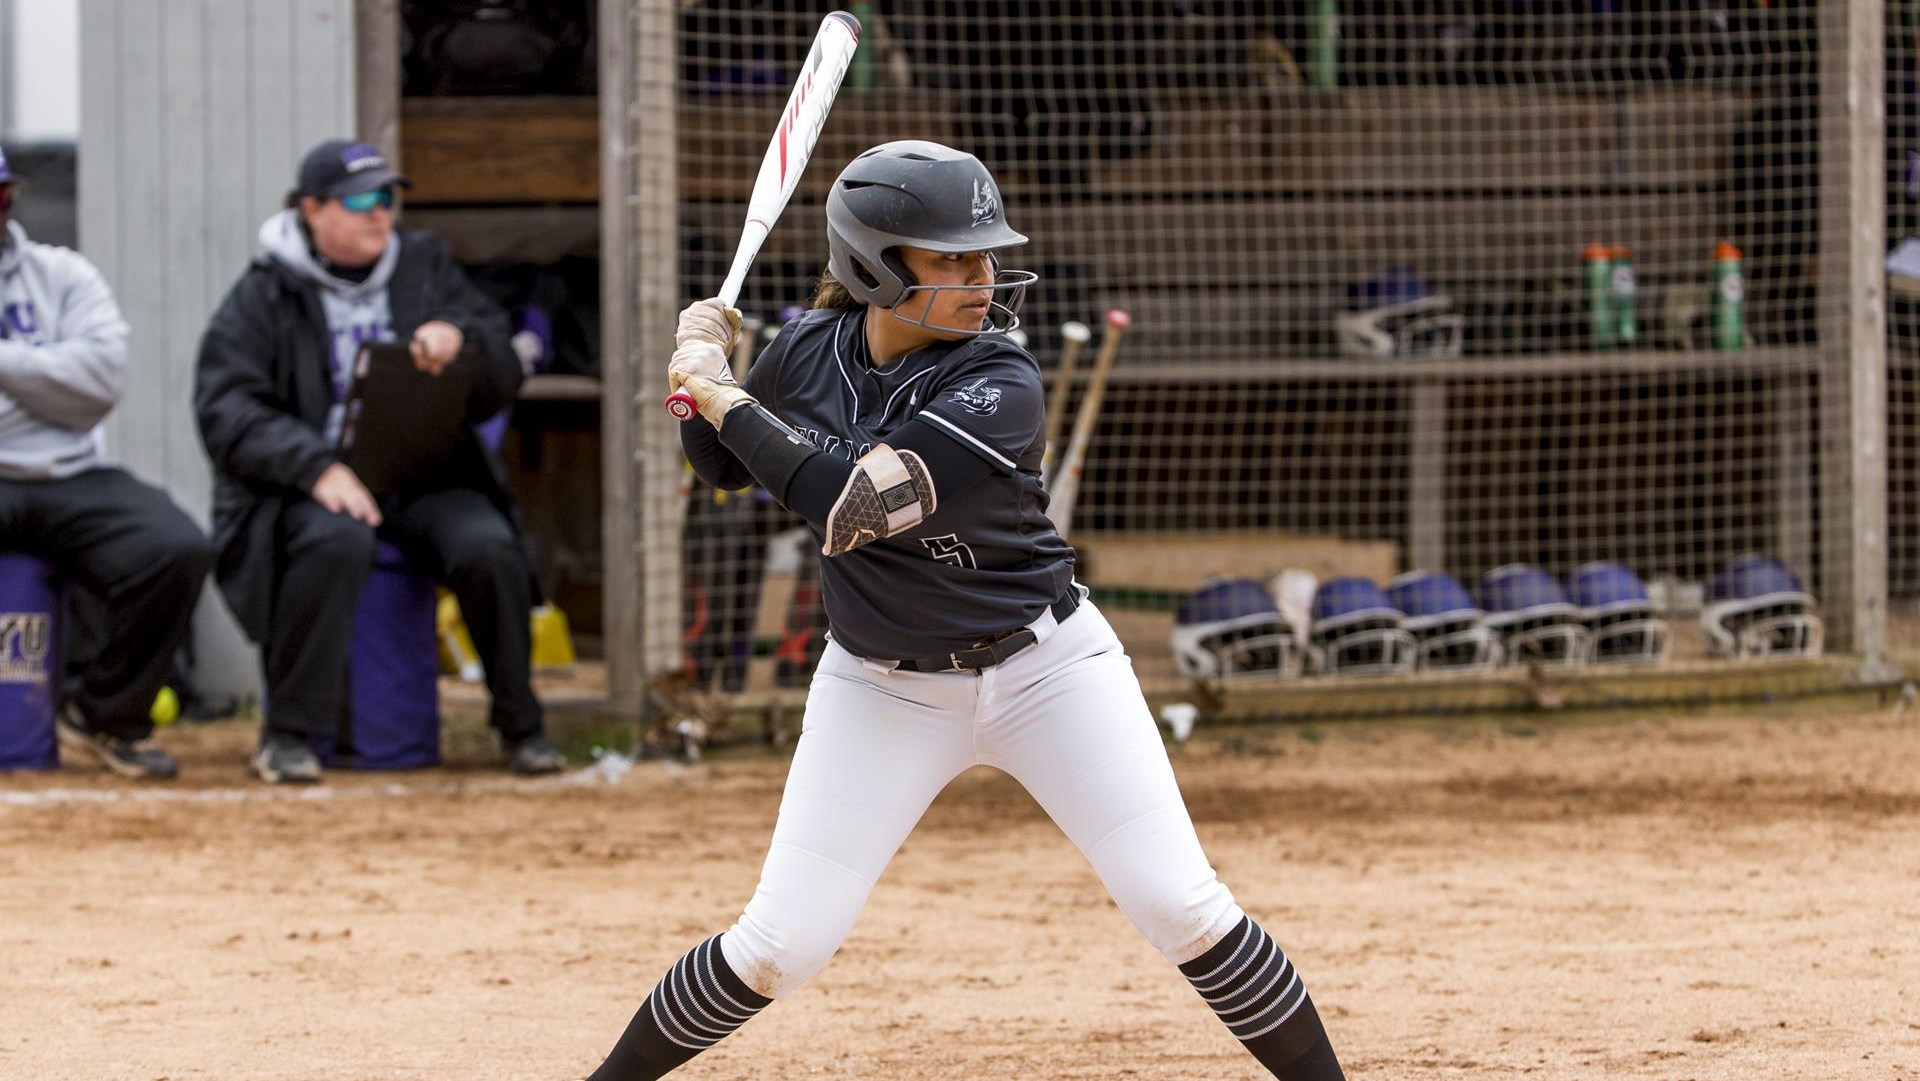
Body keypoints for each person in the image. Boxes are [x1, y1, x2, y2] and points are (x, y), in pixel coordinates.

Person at [579, 141, 1345, 1080]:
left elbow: (854, 508)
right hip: (881, 686)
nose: (982, 278)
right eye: (951, 259)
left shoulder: (1001, 377)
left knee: (1183, 908)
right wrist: (699, 384)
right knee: (778, 945)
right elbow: (725, 470)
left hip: (1048, 672)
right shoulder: (804, 350)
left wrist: (722, 392)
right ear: (872, 268)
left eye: (985, 255)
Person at [194, 138, 567, 784]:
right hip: (317, 486)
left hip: (424, 477)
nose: (379, 214)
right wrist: (313, 466)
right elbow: (226, 409)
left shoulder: (423, 266)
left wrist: (464, 339)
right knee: (334, 543)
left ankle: (522, 726)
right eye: (361, 199)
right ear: (312, 210)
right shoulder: (265, 294)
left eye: (388, 198)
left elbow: (501, 368)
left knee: (488, 548)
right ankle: (287, 735)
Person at [0, 146, 212, 779]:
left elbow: (98, 382)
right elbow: (68, 379)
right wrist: (44, 376)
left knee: (175, 547)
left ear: (8, 199)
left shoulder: (63, 276)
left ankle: (108, 715)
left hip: (69, 470)